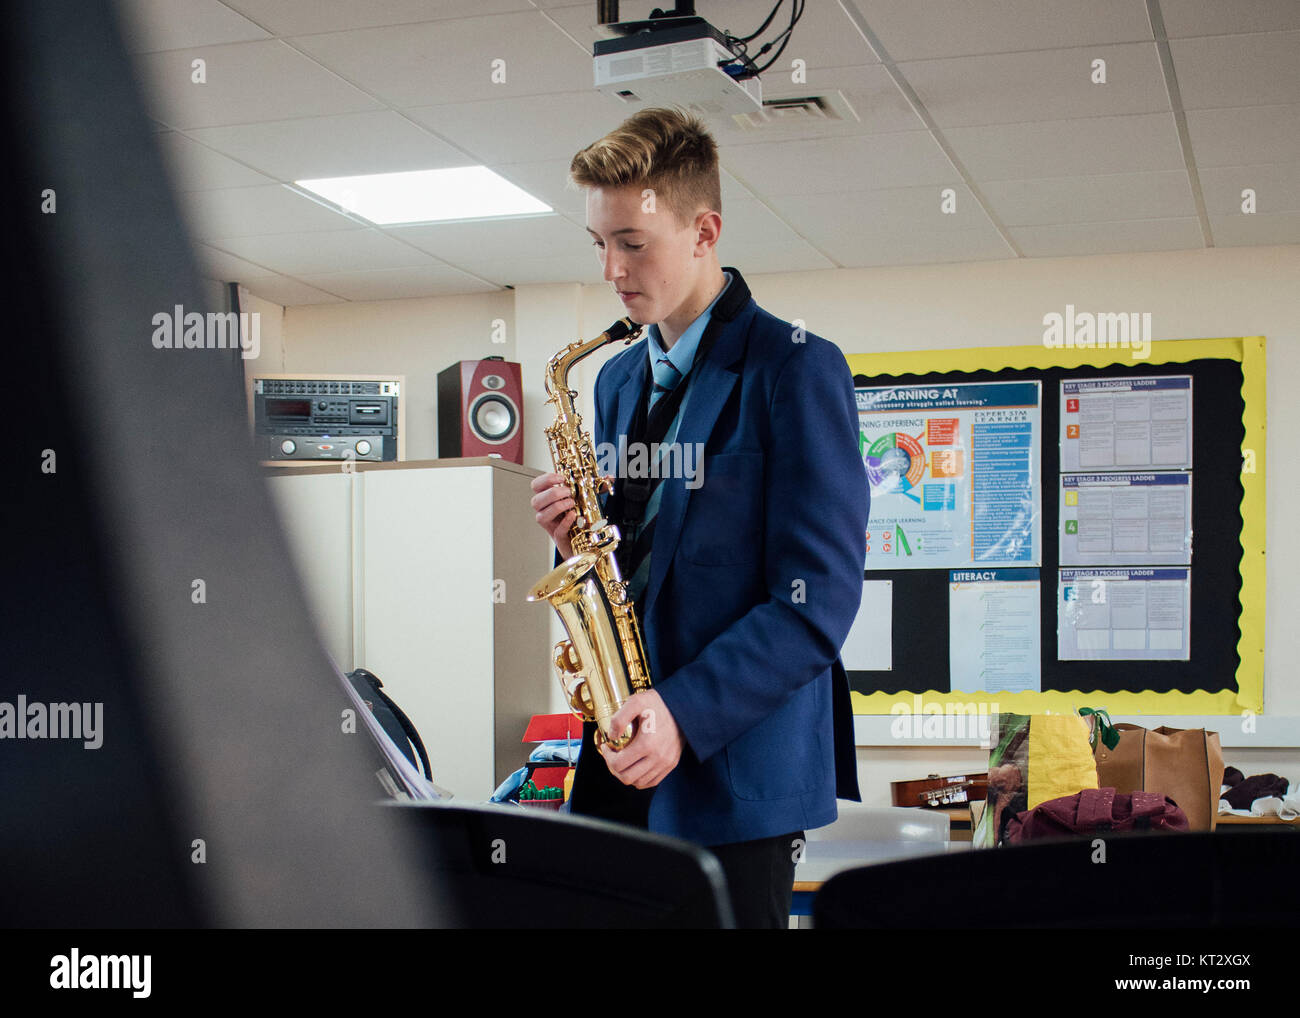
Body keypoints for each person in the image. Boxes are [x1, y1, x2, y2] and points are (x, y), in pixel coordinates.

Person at [530, 106, 868, 928]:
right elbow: (643, 555)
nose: (612, 269)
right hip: (619, 749)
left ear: (704, 230)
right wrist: (580, 533)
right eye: (599, 244)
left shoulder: (794, 368)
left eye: (632, 243)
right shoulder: (611, 383)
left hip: (730, 772)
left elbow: (816, 601)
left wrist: (683, 712)